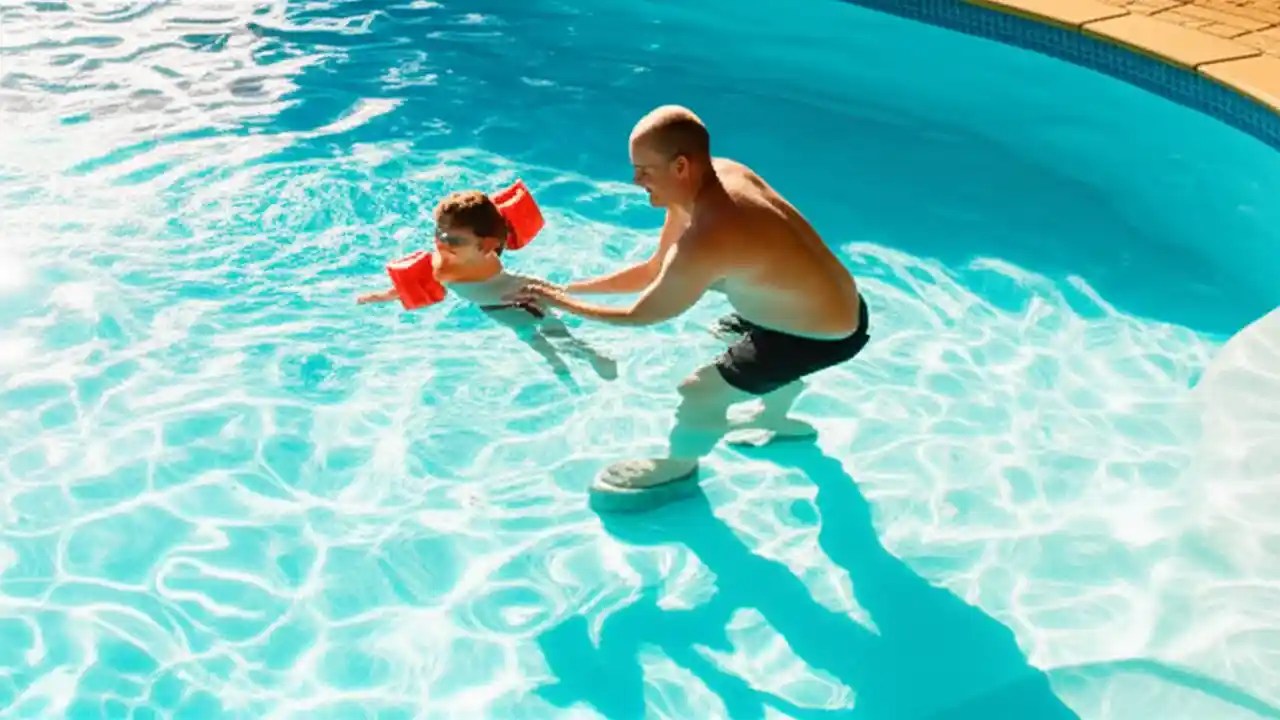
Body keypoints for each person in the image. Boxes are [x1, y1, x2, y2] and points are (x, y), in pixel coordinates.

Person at [506, 105, 870, 492]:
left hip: (823, 334)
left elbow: (640, 314)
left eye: (644, 170)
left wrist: (559, 304)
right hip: (825, 301)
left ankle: (679, 469)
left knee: (697, 393)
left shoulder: (711, 235)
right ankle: (775, 416)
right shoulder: (719, 175)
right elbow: (654, 269)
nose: (635, 180)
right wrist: (565, 290)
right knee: (726, 330)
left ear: (681, 166)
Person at [359, 190, 616, 382]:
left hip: (513, 302)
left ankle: (589, 360)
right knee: (546, 336)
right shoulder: (462, 256)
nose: (440, 243)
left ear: (486, 246)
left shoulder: (455, 262)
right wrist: (377, 296)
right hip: (510, 296)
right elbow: (407, 288)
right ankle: (575, 366)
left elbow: (408, 289)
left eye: (452, 239)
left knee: (546, 336)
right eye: (439, 233)